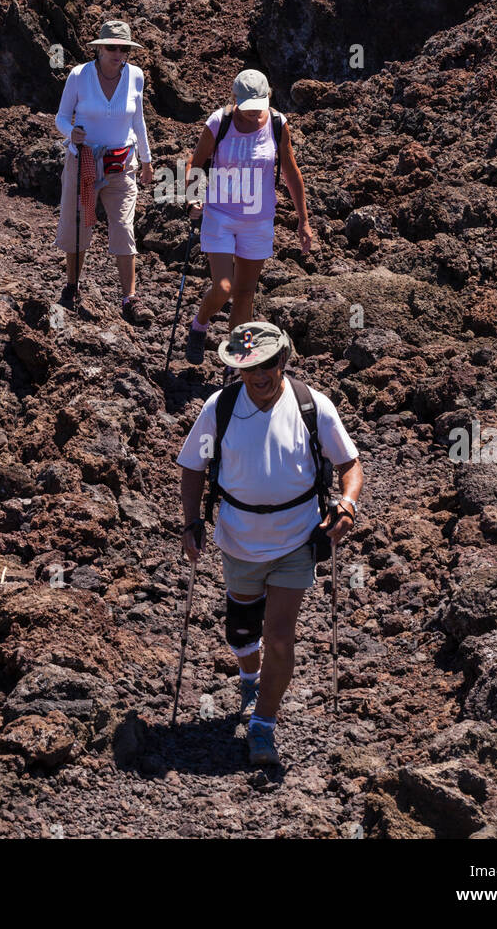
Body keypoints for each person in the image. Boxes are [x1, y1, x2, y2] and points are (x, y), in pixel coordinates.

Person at [176, 322, 362, 767]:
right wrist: (190, 523)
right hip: (238, 539)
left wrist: (347, 504)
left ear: (282, 361)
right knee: (241, 629)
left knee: (280, 637)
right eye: (247, 369)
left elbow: (349, 464)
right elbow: (192, 467)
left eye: (266, 365)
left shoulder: (312, 406)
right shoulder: (218, 409)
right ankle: (248, 672)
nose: (257, 376)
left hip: (296, 538)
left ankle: (263, 726)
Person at [183, 69, 314, 370]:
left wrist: (303, 220)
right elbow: (196, 161)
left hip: (259, 220)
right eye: (248, 107)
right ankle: (200, 325)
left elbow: (291, 173)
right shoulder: (219, 122)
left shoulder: (278, 124)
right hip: (220, 215)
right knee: (224, 287)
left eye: (259, 106)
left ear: (268, 98)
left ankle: (237, 361)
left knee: (245, 293)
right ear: (235, 100)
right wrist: (192, 195)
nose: (254, 113)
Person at [54, 19, 154, 325]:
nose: (118, 53)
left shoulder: (135, 76)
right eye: (112, 47)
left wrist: (148, 161)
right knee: (79, 226)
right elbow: (60, 117)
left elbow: (138, 121)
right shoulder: (79, 75)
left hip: (122, 164)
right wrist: (72, 133)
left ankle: (130, 298)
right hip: (83, 160)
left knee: (124, 227)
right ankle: (72, 286)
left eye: (123, 48)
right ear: (99, 49)